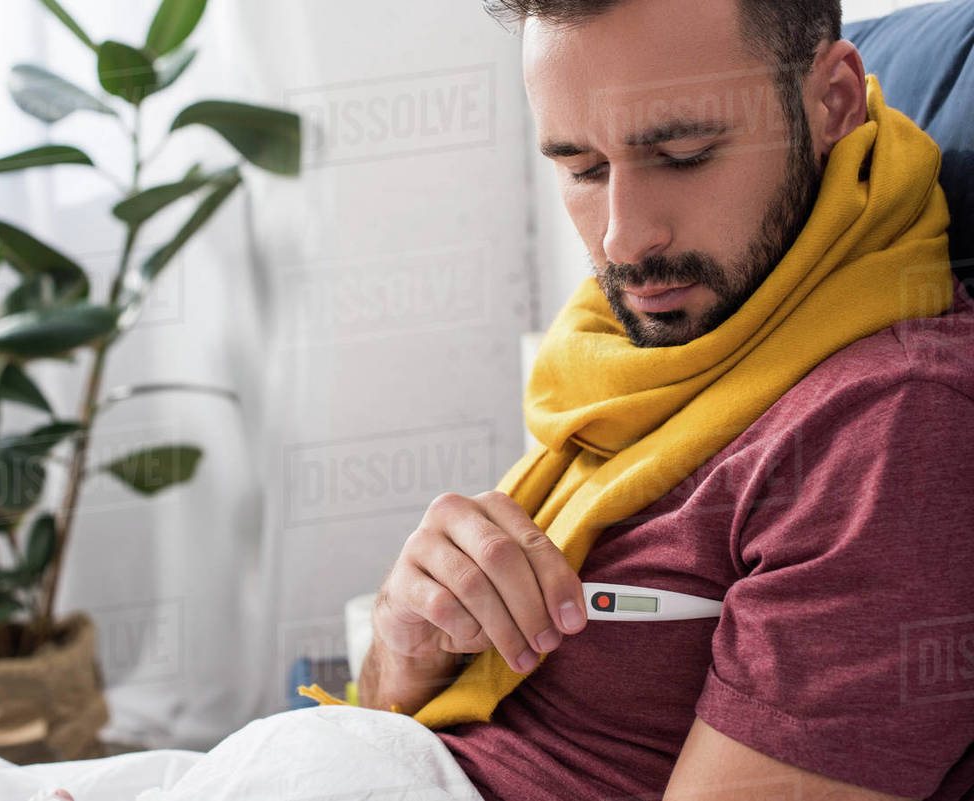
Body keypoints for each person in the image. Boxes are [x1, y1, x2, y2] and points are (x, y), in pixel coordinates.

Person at [358, 0, 974, 799]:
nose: (621, 238)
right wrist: (404, 644)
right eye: (582, 169)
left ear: (833, 104)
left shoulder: (895, 428)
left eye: (682, 154)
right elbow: (385, 711)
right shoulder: (626, 363)